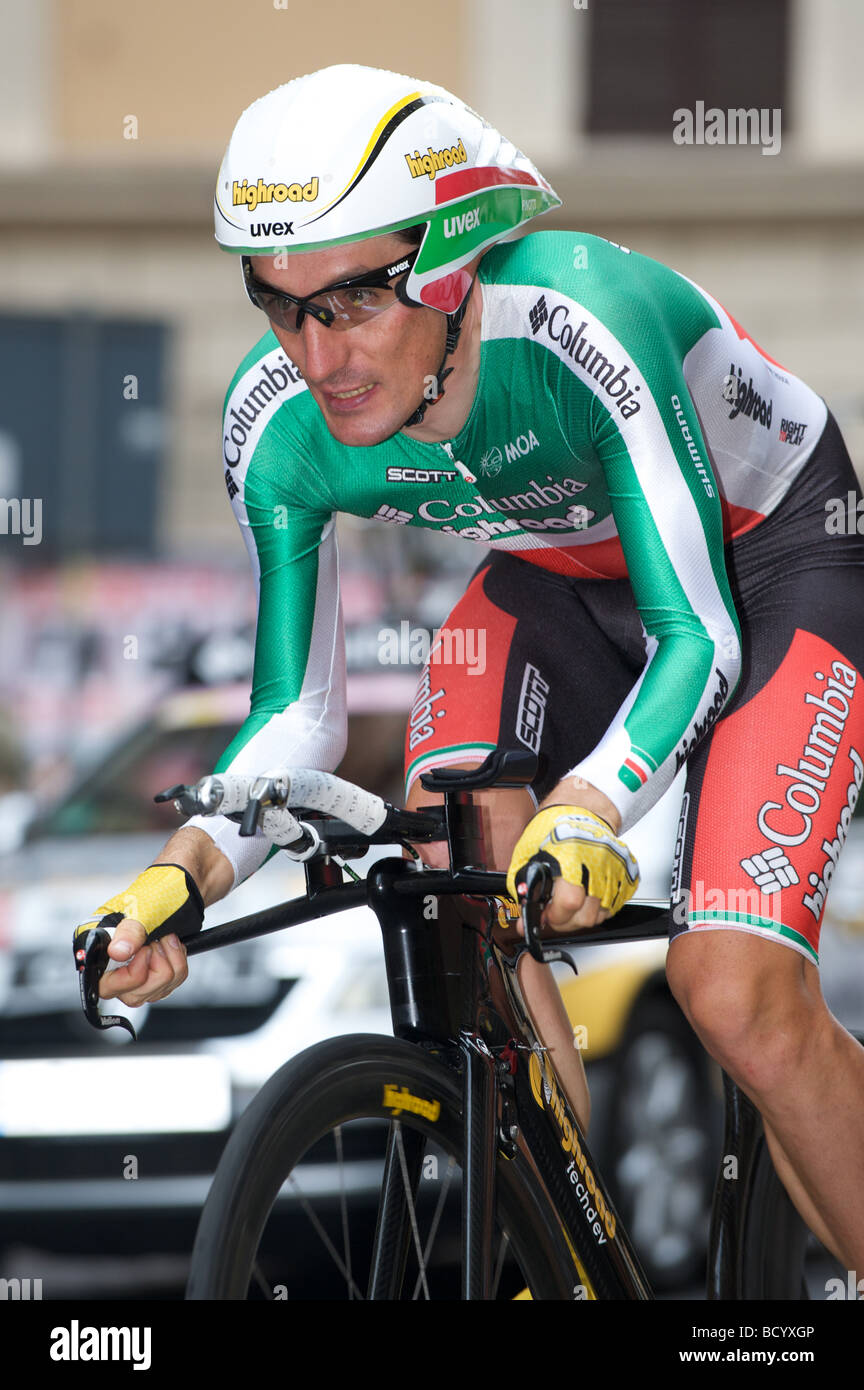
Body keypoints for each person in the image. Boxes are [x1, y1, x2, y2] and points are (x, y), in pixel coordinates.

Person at [78, 64, 864, 1272]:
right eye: (277, 305)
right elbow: (294, 713)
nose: (315, 352)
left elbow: (697, 633)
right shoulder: (273, 426)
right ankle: (559, 1241)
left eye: (349, 300)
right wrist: (181, 879)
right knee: (458, 888)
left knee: (730, 983)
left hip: (773, 559)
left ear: (446, 265)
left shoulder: (579, 325)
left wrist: (592, 806)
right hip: (552, 570)